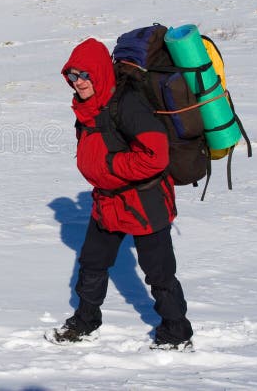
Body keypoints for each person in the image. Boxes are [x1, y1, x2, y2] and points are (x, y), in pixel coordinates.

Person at [47, 37, 193, 349]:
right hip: (108, 199)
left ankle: (176, 331)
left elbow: (157, 155)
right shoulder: (88, 107)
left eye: (85, 74)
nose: (79, 82)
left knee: (159, 273)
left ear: (99, 72)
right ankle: (86, 320)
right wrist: (105, 172)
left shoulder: (128, 104)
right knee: (92, 262)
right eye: (72, 76)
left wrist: (112, 165)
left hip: (144, 199)